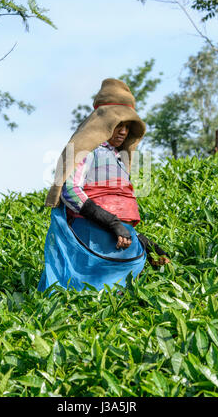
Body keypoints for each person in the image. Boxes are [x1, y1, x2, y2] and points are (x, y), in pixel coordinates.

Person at [38, 78, 170, 293]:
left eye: (127, 126)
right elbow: (70, 190)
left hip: (115, 239)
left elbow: (116, 204)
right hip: (91, 236)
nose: (123, 132)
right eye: (118, 125)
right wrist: (111, 223)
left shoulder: (117, 157)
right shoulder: (88, 151)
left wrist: (142, 241)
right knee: (87, 294)